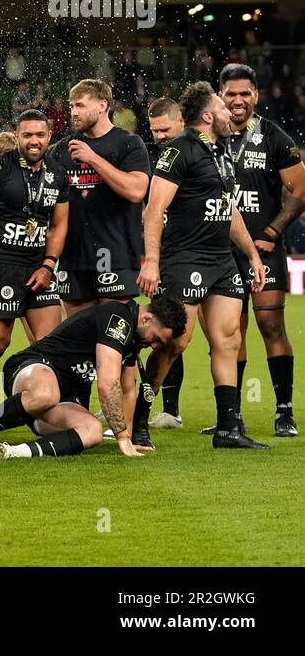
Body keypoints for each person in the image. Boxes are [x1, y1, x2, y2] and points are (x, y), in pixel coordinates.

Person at [135, 82, 269, 450]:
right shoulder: (178, 152)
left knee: (229, 340)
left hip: (222, 262)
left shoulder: (221, 152)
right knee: (174, 342)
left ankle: (228, 430)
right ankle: (138, 421)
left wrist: (252, 255)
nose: (231, 113)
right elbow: (154, 209)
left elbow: (229, 211)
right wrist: (152, 263)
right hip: (185, 260)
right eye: (223, 108)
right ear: (208, 116)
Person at [0, 110, 69, 428]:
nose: (33, 141)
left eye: (39, 135)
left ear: (49, 136)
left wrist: (49, 265)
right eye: (27, 135)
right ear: (18, 136)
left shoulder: (58, 173)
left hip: (38, 270)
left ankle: (50, 410)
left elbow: (59, 224)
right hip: (1, 267)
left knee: (52, 344)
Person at [0, 296, 187, 458]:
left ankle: (9, 452)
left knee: (92, 431)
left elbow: (128, 389)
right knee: (46, 394)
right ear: (147, 319)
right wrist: (122, 436)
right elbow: (108, 385)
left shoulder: (134, 339)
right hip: (32, 367)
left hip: (64, 396)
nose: (155, 346)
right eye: (157, 339)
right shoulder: (119, 320)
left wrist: (128, 438)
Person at [218, 64, 303, 437]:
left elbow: (300, 192)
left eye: (245, 93)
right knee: (228, 333)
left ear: (256, 95)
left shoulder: (274, 136)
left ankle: (284, 411)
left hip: (264, 249)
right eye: (231, 93)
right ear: (220, 94)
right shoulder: (209, 135)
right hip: (220, 254)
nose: (238, 100)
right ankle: (231, 415)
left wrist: (272, 231)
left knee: (271, 326)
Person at [49, 79, 150, 313]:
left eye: (80, 105)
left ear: (103, 105)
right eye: (72, 106)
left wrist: (92, 158)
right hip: (73, 260)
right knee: (77, 342)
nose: (73, 112)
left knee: (112, 342)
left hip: (117, 257)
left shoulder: (129, 143)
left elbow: (136, 191)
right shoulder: (62, 150)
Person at [144, 96, 187, 430]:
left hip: (190, 254)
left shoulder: (196, 154)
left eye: (164, 129)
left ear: (181, 121)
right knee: (167, 333)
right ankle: (156, 408)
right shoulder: (151, 157)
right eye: (154, 130)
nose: (159, 136)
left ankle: (169, 409)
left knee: (180, 334)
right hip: (164, 254)